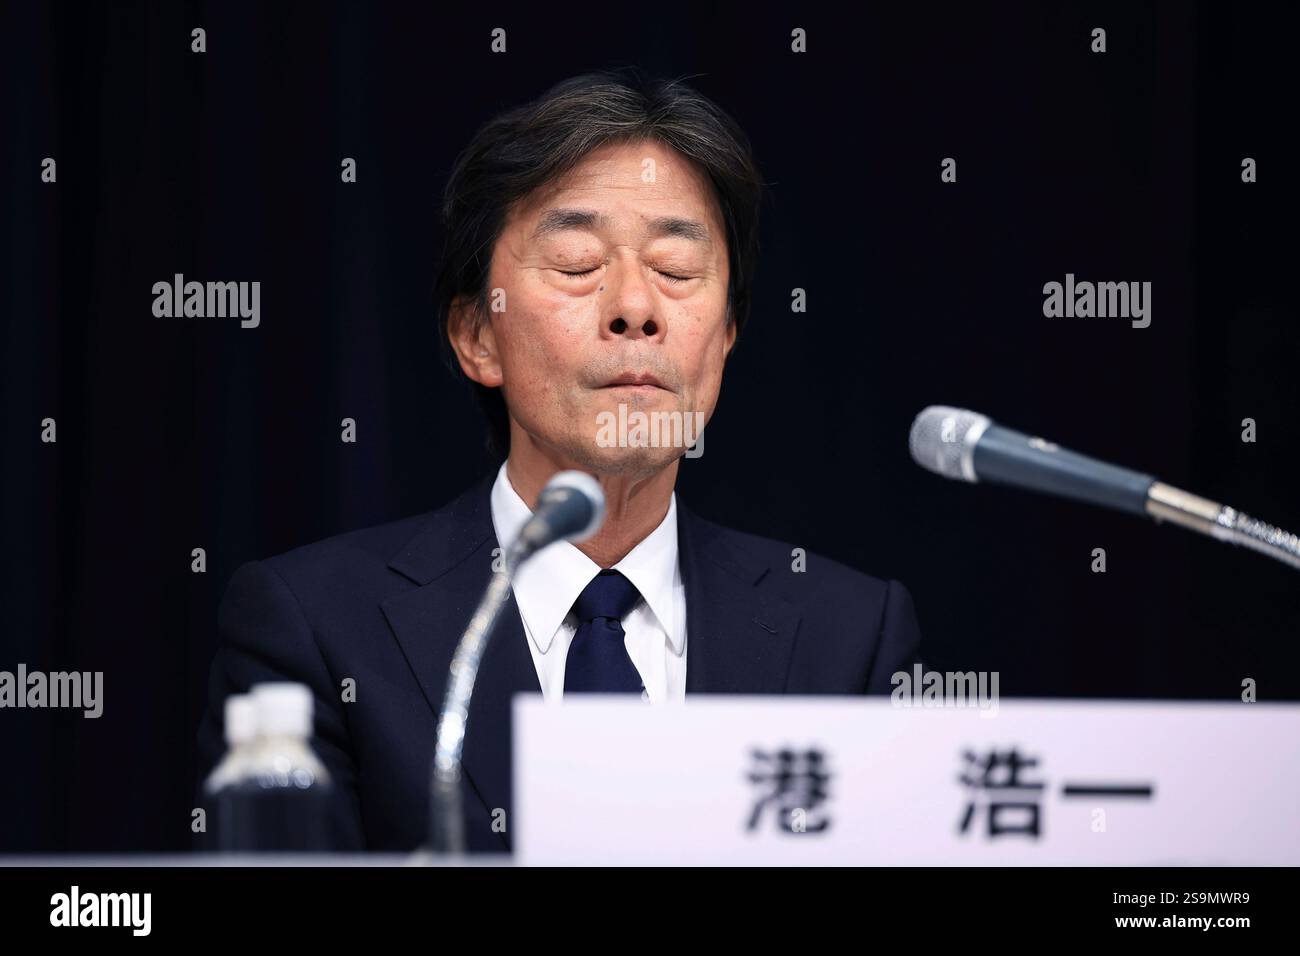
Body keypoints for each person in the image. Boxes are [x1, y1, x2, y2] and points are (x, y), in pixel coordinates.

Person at [196, 68, 923, 853]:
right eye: (577, 265)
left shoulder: (848, 637)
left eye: (677, 272)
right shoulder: (314, 624)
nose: (635, 308)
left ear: (726, 337)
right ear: (478, 335)